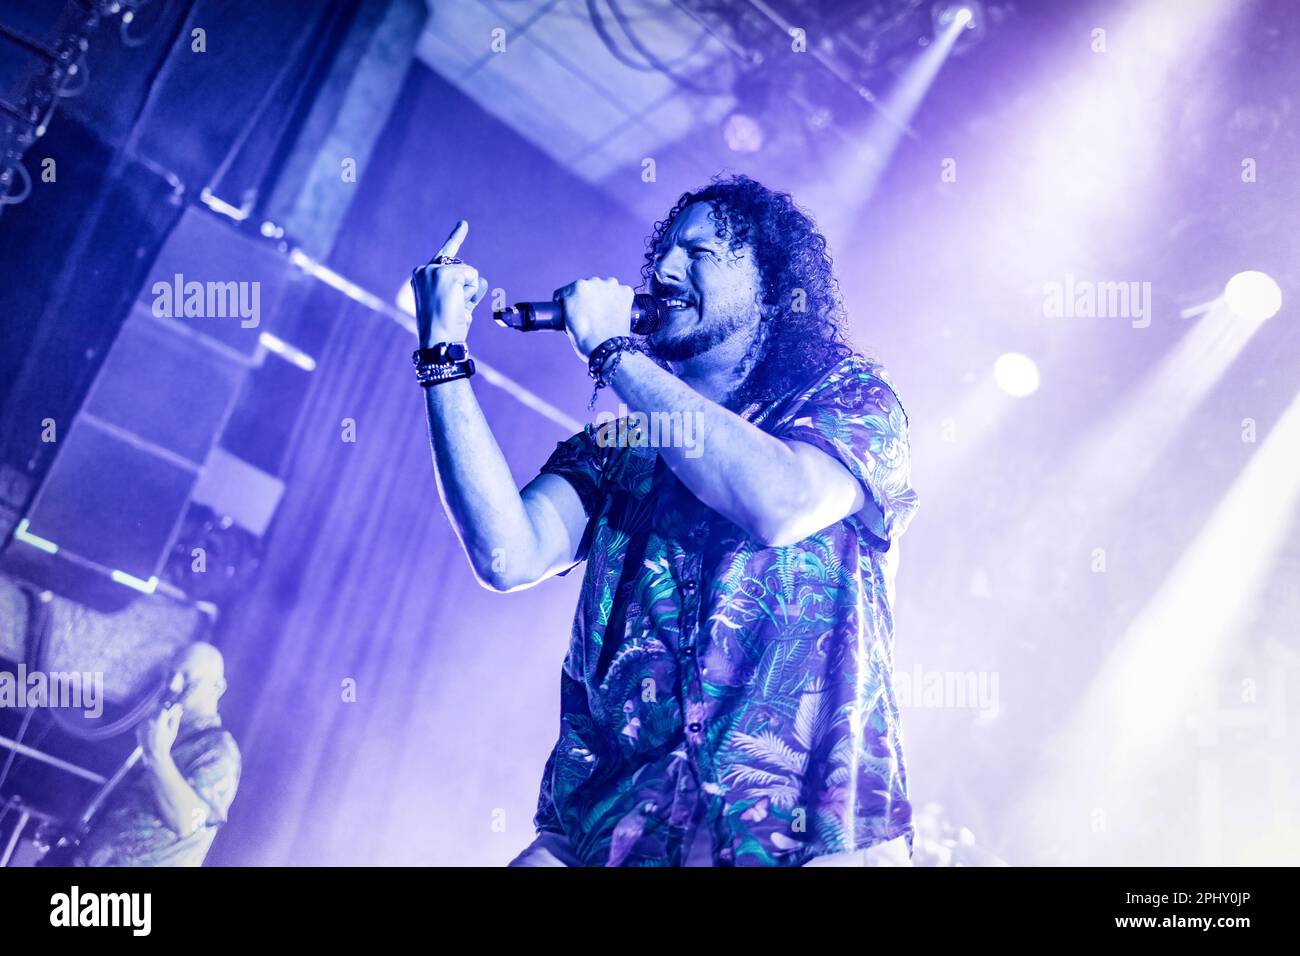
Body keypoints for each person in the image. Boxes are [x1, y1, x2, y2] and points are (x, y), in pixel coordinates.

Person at [412, 174, 919, 866]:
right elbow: (508, 554)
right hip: (619, 829)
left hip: (803, 837)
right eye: (665, 253)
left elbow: (781, 505)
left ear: (769, 286)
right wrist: (442, 353)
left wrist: (614, 353)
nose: (667, 269)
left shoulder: (848, 400)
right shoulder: (622, 449)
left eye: (701, 253)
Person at [73, 642, 241, 866]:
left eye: (188, 678)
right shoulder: (164, 732)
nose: (173, 684)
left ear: (217, 688)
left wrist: (157, 754)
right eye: (172, 674)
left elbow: (188, 821)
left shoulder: (218, 748)